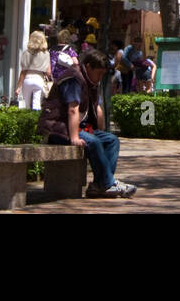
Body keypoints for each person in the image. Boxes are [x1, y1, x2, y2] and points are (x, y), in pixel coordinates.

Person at [37, 47, 136, 198]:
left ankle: (99, 185)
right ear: (88, 67)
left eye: (103, 74)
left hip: (77, 127)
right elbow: (73, 109)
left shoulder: (90, 81)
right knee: (94, 142)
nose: (100, 77)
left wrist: (101, 130)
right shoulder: (73, 78)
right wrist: (75, 137)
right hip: (58, 128)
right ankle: (108, 184)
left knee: (111, 140)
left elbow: (97, 108)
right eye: (99, 73)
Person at [15, 30, 52, 110]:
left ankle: (28, 120)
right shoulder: (46, 53)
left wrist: (18, 86)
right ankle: (36, 120)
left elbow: (23, 71)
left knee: (26, 105)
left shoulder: (26, 53)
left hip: (27, 79)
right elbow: (48, 72)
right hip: (39, 79)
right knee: (37, 104)